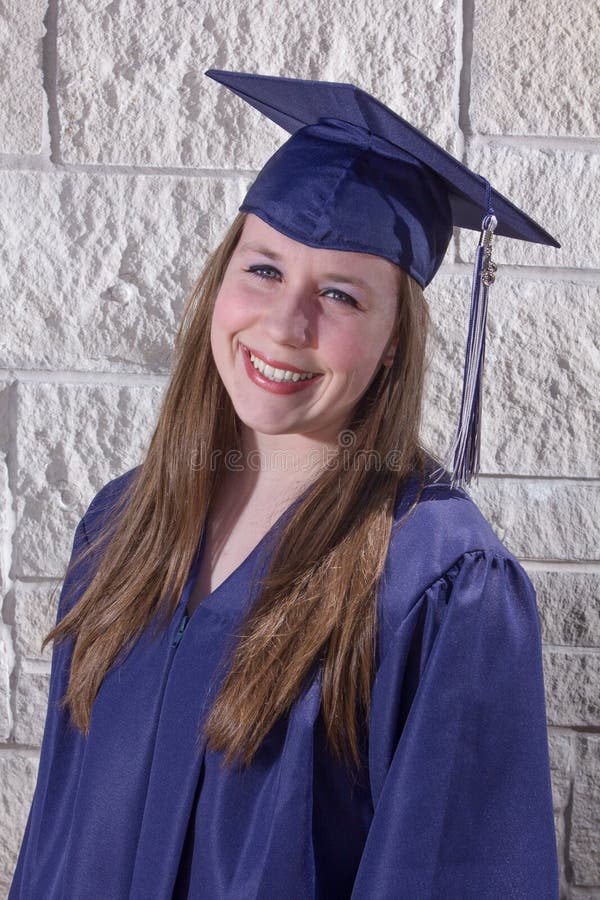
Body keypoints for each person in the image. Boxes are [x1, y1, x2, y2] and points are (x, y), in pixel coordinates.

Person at [10, 70, 560, 899]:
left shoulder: (443, 584)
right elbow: (55, 832)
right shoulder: (121, 523)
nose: (285, 324)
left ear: (393, 346)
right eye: (264, 270)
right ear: (220, 281)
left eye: (340, 294)